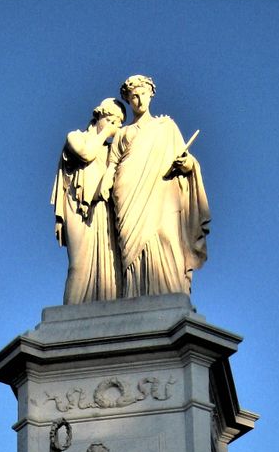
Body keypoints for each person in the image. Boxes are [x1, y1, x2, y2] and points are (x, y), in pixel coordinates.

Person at [111, 74, 210, 298]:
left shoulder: (166, 127)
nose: (139, 100)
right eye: (133, 96)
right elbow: (112, 165)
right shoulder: (123, 134)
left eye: (143, 95)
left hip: (162, 193)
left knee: (166, 239)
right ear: (128, 100)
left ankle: (168, 292)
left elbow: (186, 161)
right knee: (130, 248)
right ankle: (134, 294)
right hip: (128, 194)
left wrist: (186, 164)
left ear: (150, 95)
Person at [51, 98, 125, 304]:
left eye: (119, 123)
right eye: (112, 120)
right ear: (99, 116)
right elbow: (85, 154)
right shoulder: (75, 137)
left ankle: (109, 314)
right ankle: (68, 319)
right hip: (76, 205)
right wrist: (104, 133)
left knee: (109, 265)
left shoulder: (112, 151)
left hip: (104, 207)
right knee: (79, 265)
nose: (115, 127)